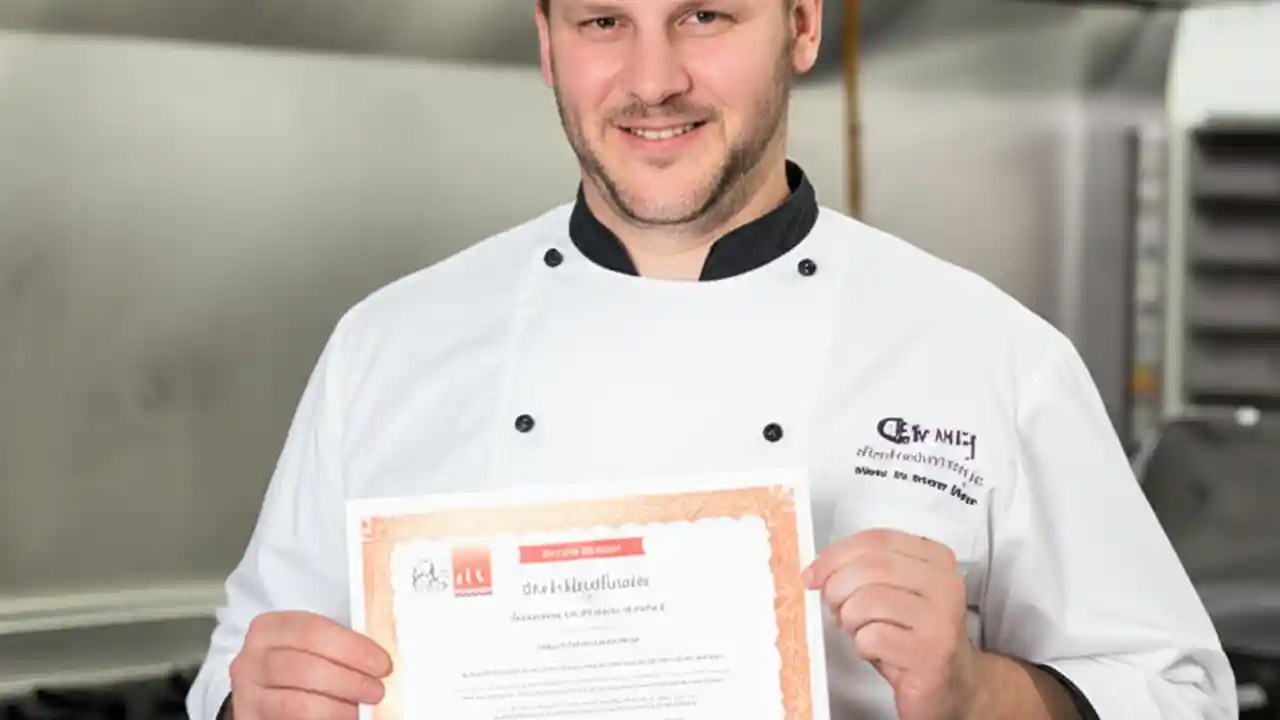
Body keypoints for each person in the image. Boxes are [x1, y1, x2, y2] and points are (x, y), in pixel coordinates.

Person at [186, 0, 1239, 718]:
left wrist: (976, 693)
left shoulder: (985, 351)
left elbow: (1177, 695)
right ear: (548, 44)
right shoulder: (389, 345)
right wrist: (254, 700)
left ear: (800, 25)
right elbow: (232, 683)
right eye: (604, 19)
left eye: (704, 13)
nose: (653, 80)